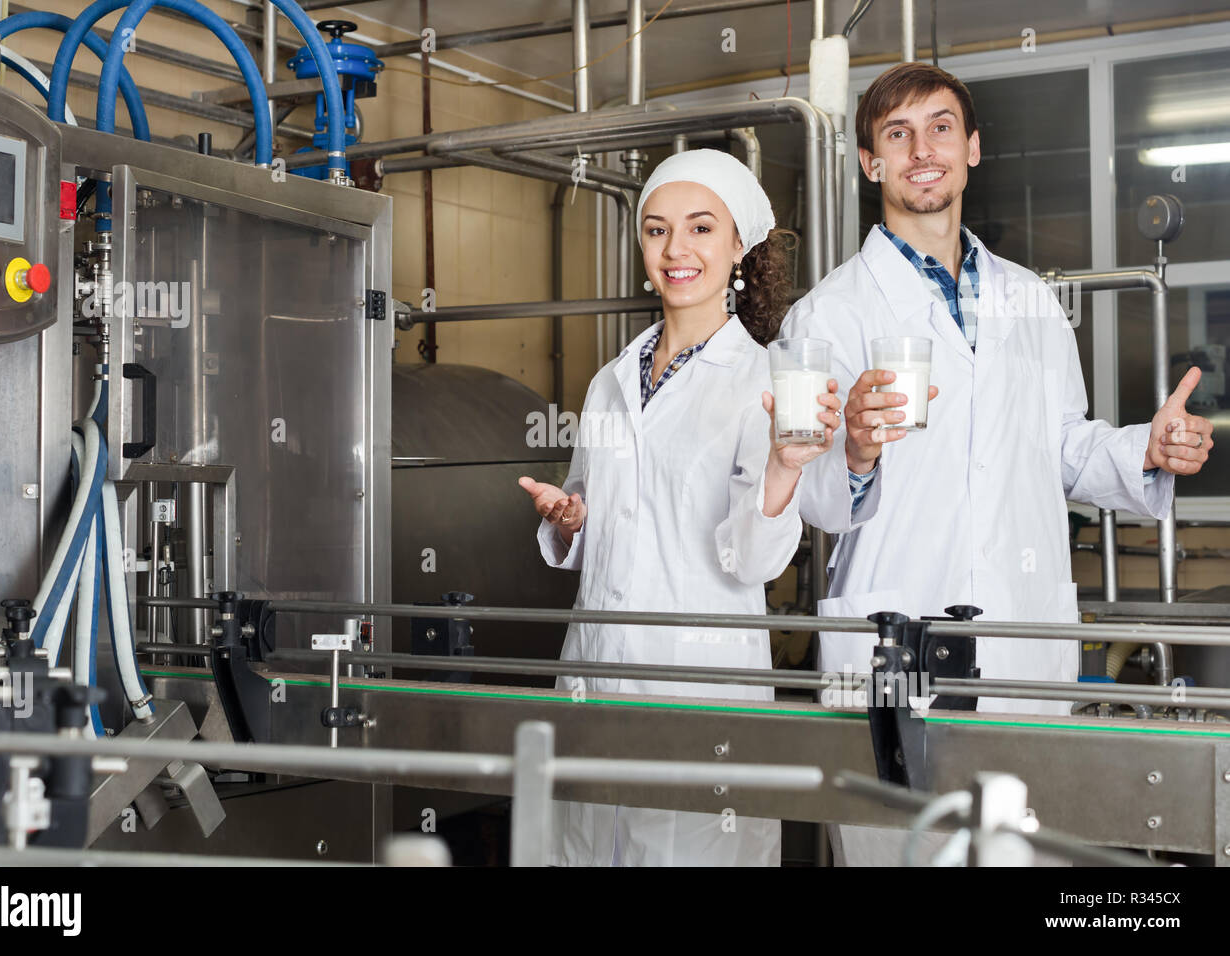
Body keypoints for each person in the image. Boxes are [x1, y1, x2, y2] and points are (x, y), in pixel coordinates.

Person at [784, 62, 1214, 864]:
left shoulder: (1032, 300)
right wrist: (854, 449)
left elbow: (1062, 448)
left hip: (1023, 639)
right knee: (902, 849)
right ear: (871, 162)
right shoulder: (826, 315)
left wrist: (1143, 449)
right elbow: (805, 495)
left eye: (941, 128)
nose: (923, 150)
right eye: (897, 133)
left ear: (972, 148)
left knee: (1028, 852)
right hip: (896, 636)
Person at [518, 149, 841, 866]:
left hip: (699, 688)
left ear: (738, 248)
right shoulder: (610, 381)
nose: (677, 249)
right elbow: (589, 510)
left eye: (700, 228)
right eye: (658, 230)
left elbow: (752, 559)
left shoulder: (763, 379)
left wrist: (785, 467)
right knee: (579, 849)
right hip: (593, 676)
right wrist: (569, 519)